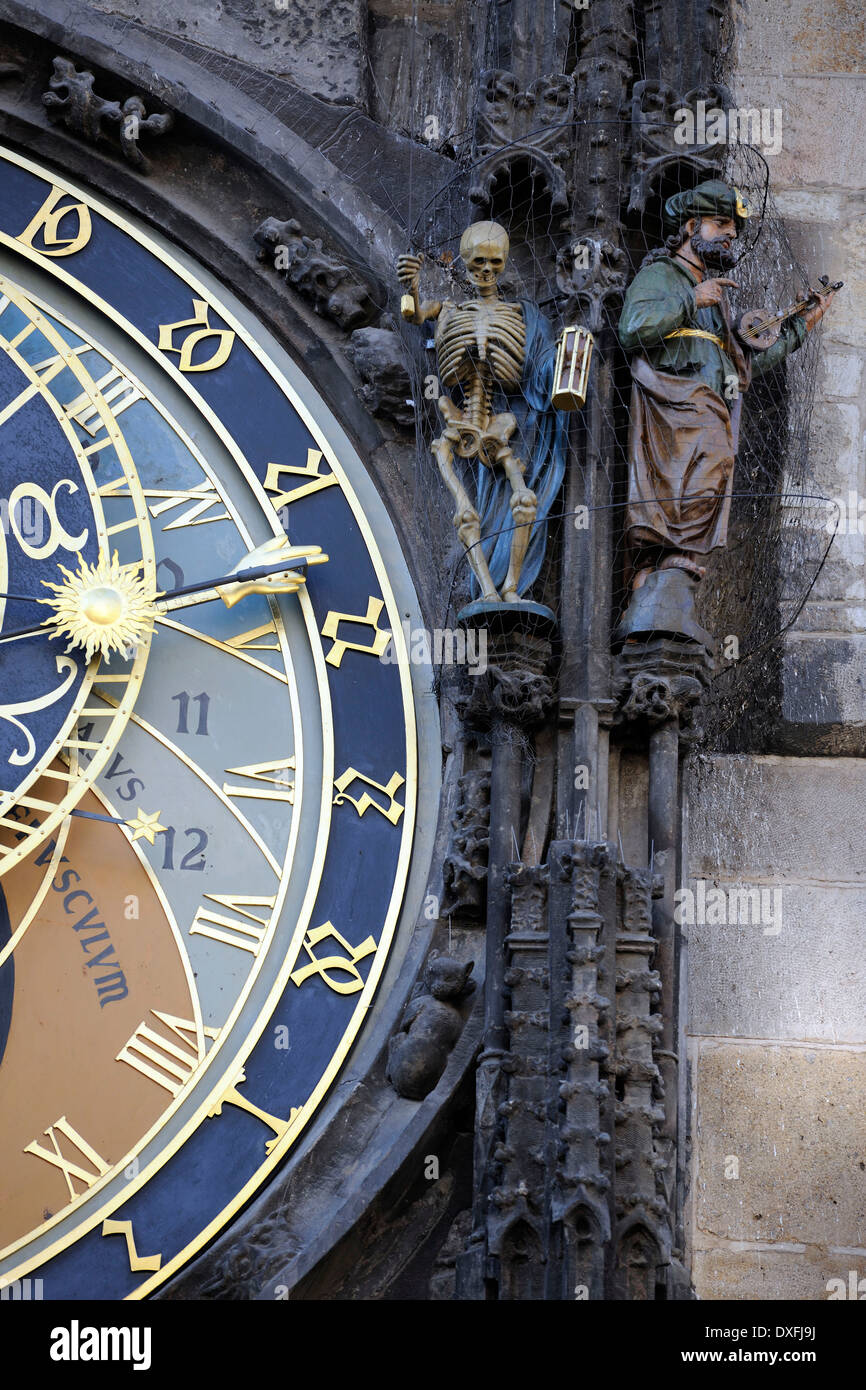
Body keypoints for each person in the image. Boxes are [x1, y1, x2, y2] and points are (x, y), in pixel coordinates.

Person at [618, 179, 836, 590]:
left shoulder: (717, 296)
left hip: (710, 410)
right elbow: (631, 329)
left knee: (715, 467)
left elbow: (740, 366)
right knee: (690, 479)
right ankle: (656, 566)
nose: (730, 235)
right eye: (720, 224)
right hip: (672, 410)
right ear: (690, 227)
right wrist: (691, 299)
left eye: (732, 230)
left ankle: (676, 561)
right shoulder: (661, 275)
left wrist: (802, 324)